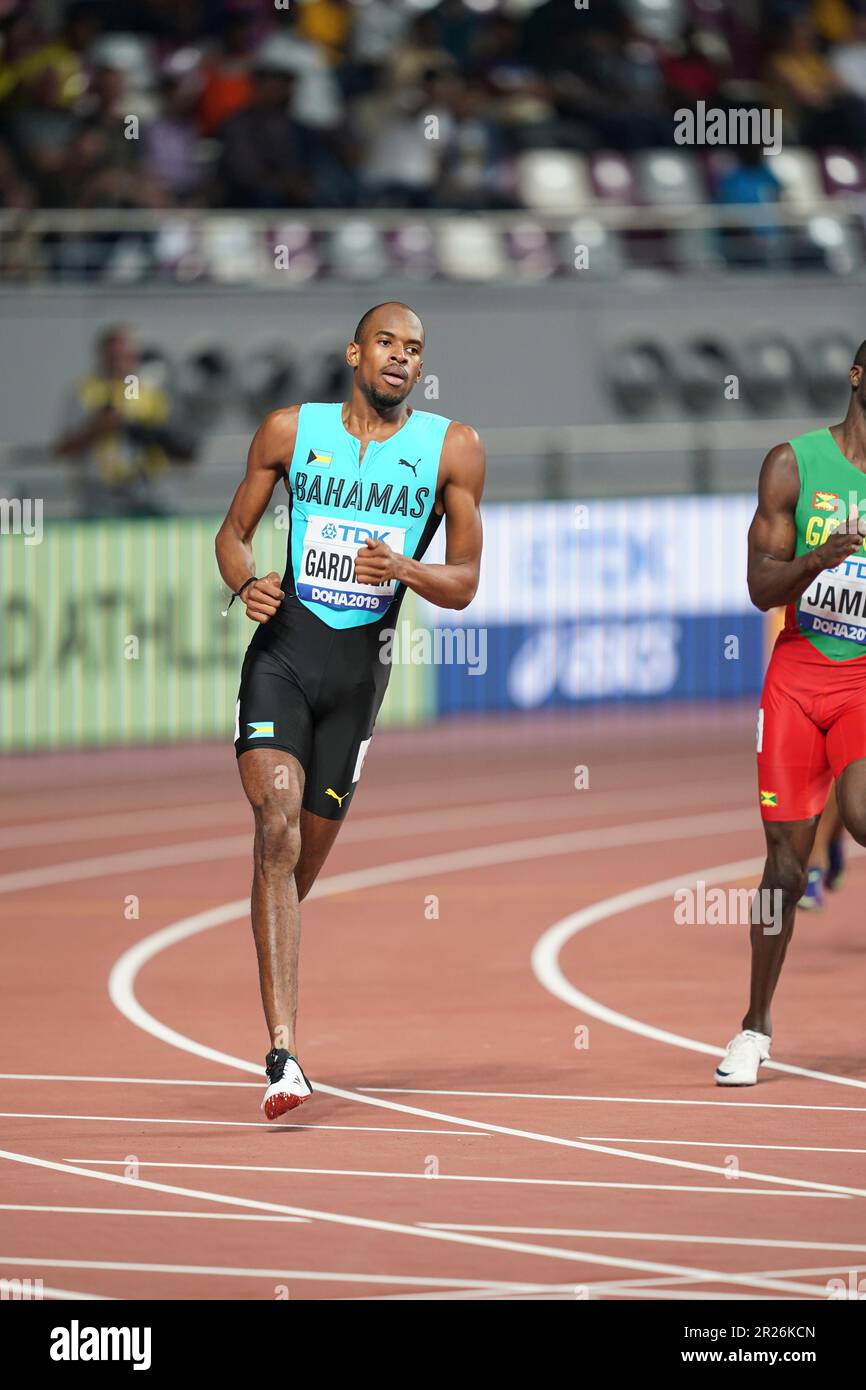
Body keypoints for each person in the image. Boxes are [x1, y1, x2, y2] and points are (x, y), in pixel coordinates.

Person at [215, 302, 485, 1119]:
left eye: (415, 349)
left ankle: (273, 952)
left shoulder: (453, 450)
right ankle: (284, 1054)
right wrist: (245, 580)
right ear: (354, 353)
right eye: (387, 344)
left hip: (358, 685)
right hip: (283, 661)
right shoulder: (290, 432)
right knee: (276, 823)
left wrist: (403, 566)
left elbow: (466, 582)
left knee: (290, 878)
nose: (401, 358)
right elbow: (232, 533)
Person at [715, 340, 866, 1086]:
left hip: (865, 679)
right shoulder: (794, 464)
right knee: (786, 862)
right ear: (857, 377)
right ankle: (753, 1027)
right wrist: (817, 560)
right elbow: (759, 586)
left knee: (863, 815)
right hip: (800, 678)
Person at [56, 325, 197, 516]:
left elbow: (181, 444)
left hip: (147, 490)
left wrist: (140, 430)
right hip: (99, 495)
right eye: (113, 357)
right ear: (102, 358)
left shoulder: (153, 392)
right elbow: (63, 448)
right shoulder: (84, 392)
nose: (119, 363)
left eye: (125, 356)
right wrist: (96, 429)